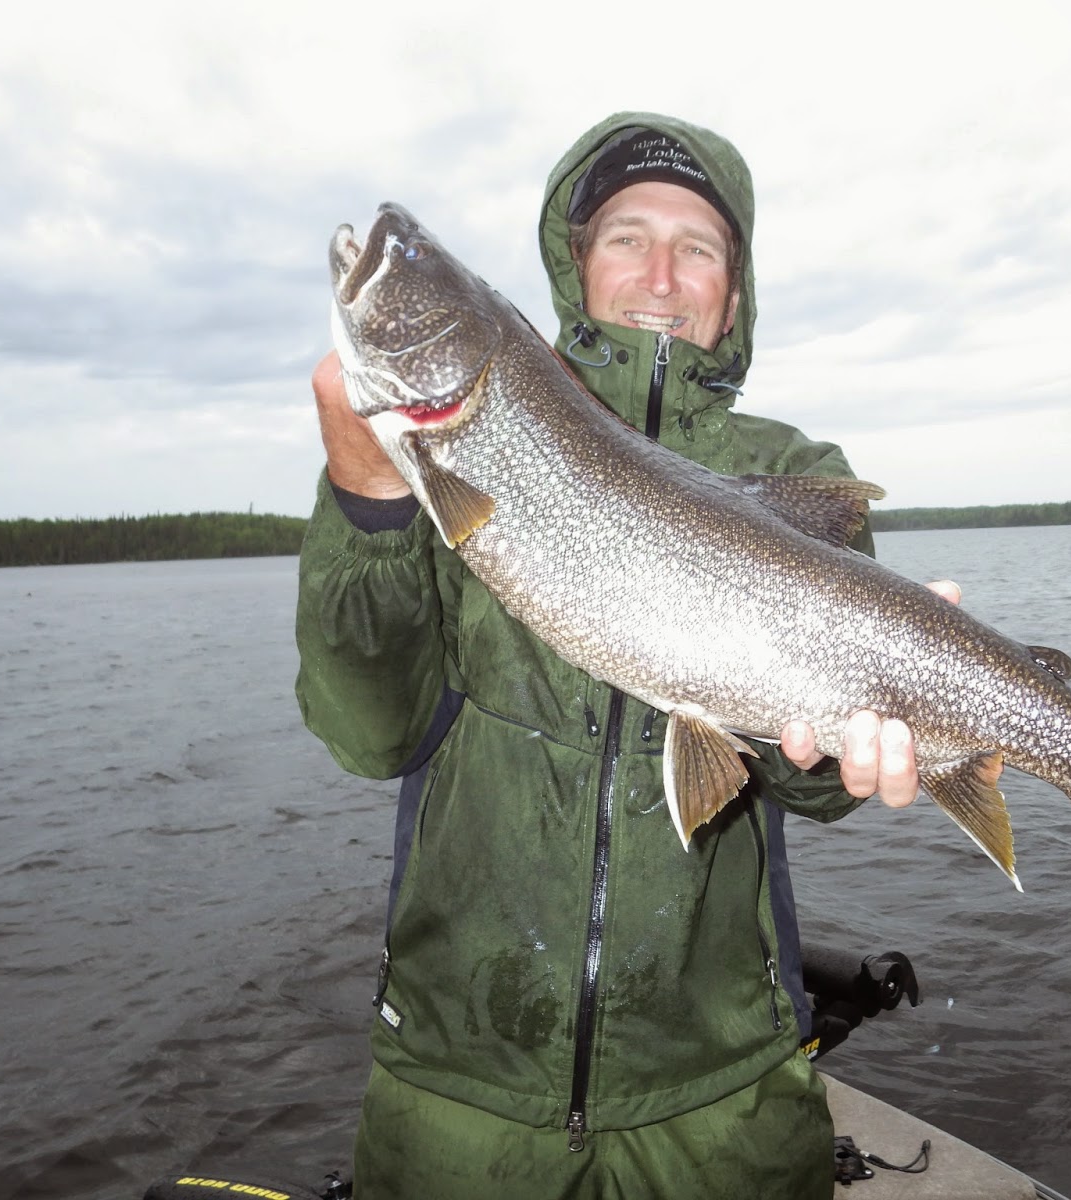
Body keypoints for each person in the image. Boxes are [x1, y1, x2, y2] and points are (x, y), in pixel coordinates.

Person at [296, 112, 955, 1199]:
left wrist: (849, 755)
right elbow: (372, 737)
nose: (661, 272)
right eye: (625, 237)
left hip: (722, 1102)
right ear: (574, 266)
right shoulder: (440, 456)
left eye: (697, 247)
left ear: (733, 295)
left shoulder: (797, 474)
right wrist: (368, 499)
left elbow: (809, 779)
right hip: (460, 1090)